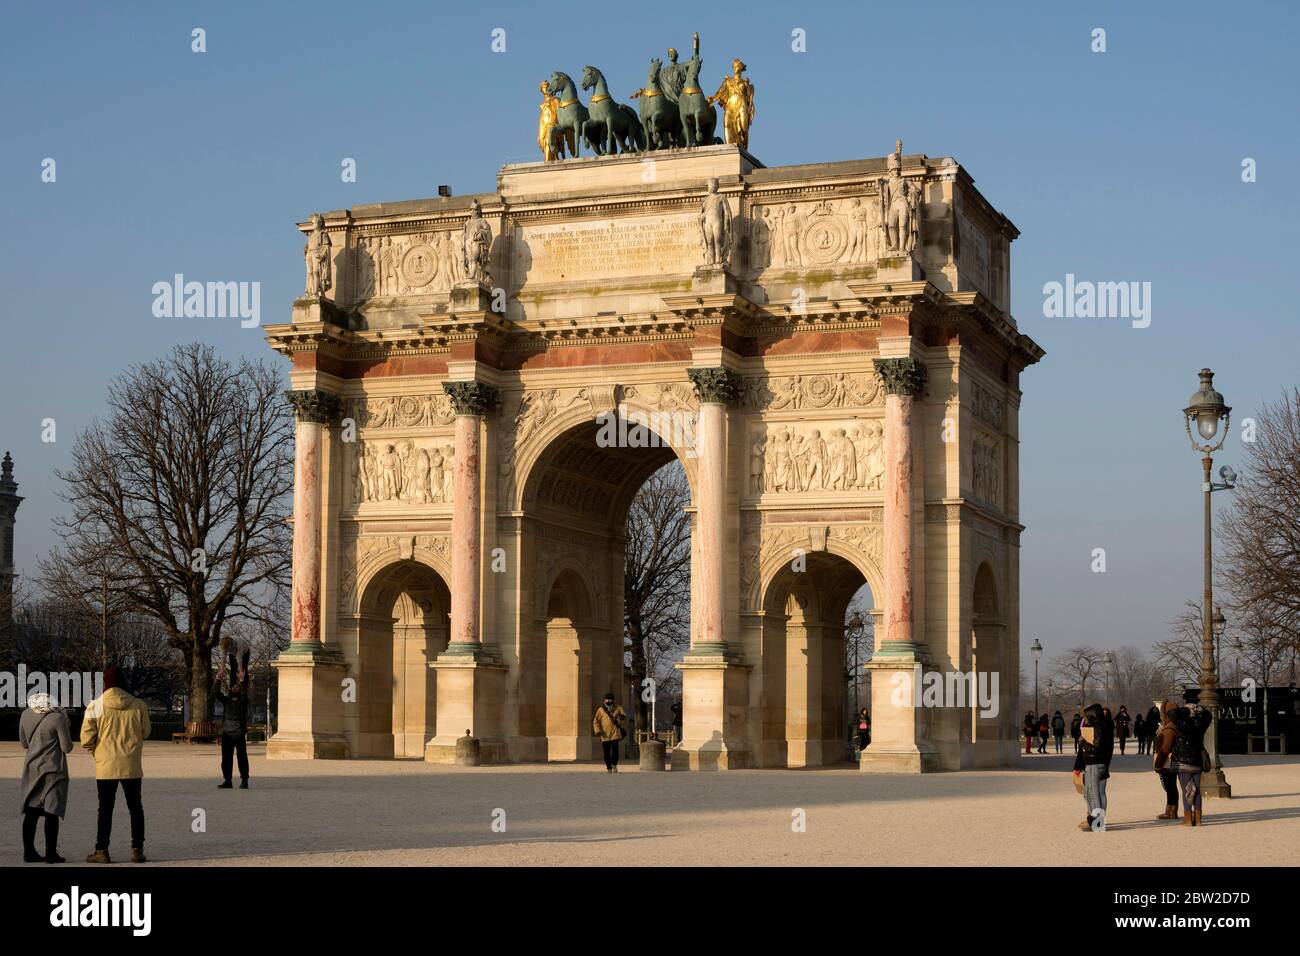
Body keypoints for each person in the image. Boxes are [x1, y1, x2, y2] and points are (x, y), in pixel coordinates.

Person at [81, 665, 150, 863]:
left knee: (105, 809)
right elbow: (145, 731)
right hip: (131, 764)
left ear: (105, 682)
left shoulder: (95, 705)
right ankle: (137, 849)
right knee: (135, 807)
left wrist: (99, 753)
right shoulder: (138, 704)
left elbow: (85, 738)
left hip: (106, 765)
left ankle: (101, 850)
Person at [19, 692, 73, 863]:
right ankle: (51, 853)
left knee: (31, 813)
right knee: (52, 812)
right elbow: (67, 747)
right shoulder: (58, 718)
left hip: (32, 769)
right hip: (53, 771)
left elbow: (24, 743)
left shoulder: (25, 714)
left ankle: (29, 852)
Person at [215, 638, 251, 789]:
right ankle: (228, 780)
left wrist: (242, 680)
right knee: (226, 758)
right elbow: (215, 692)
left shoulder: (242, 700)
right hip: (228, 732)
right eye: (233, 686)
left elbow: (240, 666)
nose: (234, 687)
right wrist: (219, 676)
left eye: (236, 687)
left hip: (237, 731)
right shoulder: (227, 699)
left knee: (241, 757)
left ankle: (244, 780)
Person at [1072, 703, 1114, 831]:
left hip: (1094, 763)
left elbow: (1096, 748)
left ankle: (1097, 822)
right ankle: (1096, 821)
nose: (1086, 719)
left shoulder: (1098, 727)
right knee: (1096, 792)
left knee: (1093, 793)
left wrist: (1083, 742)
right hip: (1099, 763)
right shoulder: (1104, 726)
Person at [1170, 702, 1213, 826]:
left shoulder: (1182, 723)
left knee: (1186, 790)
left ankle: (1188, 819)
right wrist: (1200, 709)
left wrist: (1183, 710)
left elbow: (1171, 713)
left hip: (1182, 762)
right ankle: (1198, 819)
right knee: (1197, 790)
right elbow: (1208, 716)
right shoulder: (1201, 724)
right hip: (1197, 761)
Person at [1150, 699, 1181, 820]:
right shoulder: (1175, 725)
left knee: (1170, 787)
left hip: (1167, 763)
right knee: (1171, 787)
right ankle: (1171, 810)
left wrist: (1158, 763)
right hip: (1173, 761)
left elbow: (1165, 748)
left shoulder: (1169, 728)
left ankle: (1171, 811)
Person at [592, 693, 626, 773]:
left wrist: (619, 718)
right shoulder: (601, 709)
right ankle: (608, 767)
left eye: (610, 699)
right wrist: (598, 731)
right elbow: (596, 721)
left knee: (615, 751)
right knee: (606, 752)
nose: (608, 701)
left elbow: (623, 715)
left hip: (615, 734)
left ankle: (614, 765)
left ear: (613, 700)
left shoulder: (618, 707)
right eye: (606, 699)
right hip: (605, 734)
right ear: (604, 700)